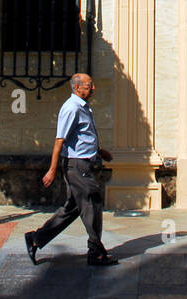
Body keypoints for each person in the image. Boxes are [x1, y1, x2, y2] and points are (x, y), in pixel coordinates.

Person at [25, 73, 119, 266]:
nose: (92, 89)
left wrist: (99, 151)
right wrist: (52, 170)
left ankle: (36, 239)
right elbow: (60, 141)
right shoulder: (71, 108)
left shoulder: (83, 107)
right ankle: (96, 252)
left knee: (73, 208)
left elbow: (81, 137)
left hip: (82, 164)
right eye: (89, 85)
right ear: (77, 88)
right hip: (77, 167)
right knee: (92, 202)